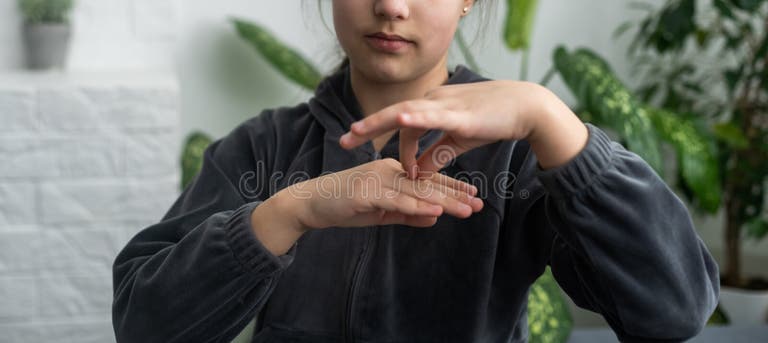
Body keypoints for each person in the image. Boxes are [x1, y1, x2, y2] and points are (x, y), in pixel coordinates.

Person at [112, 0, 720, 342]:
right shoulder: (263, 147)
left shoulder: (520, 148)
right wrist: (290, 211)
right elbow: (146, 326)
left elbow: (675, 311)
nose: (391, 7)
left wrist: (548, 117)